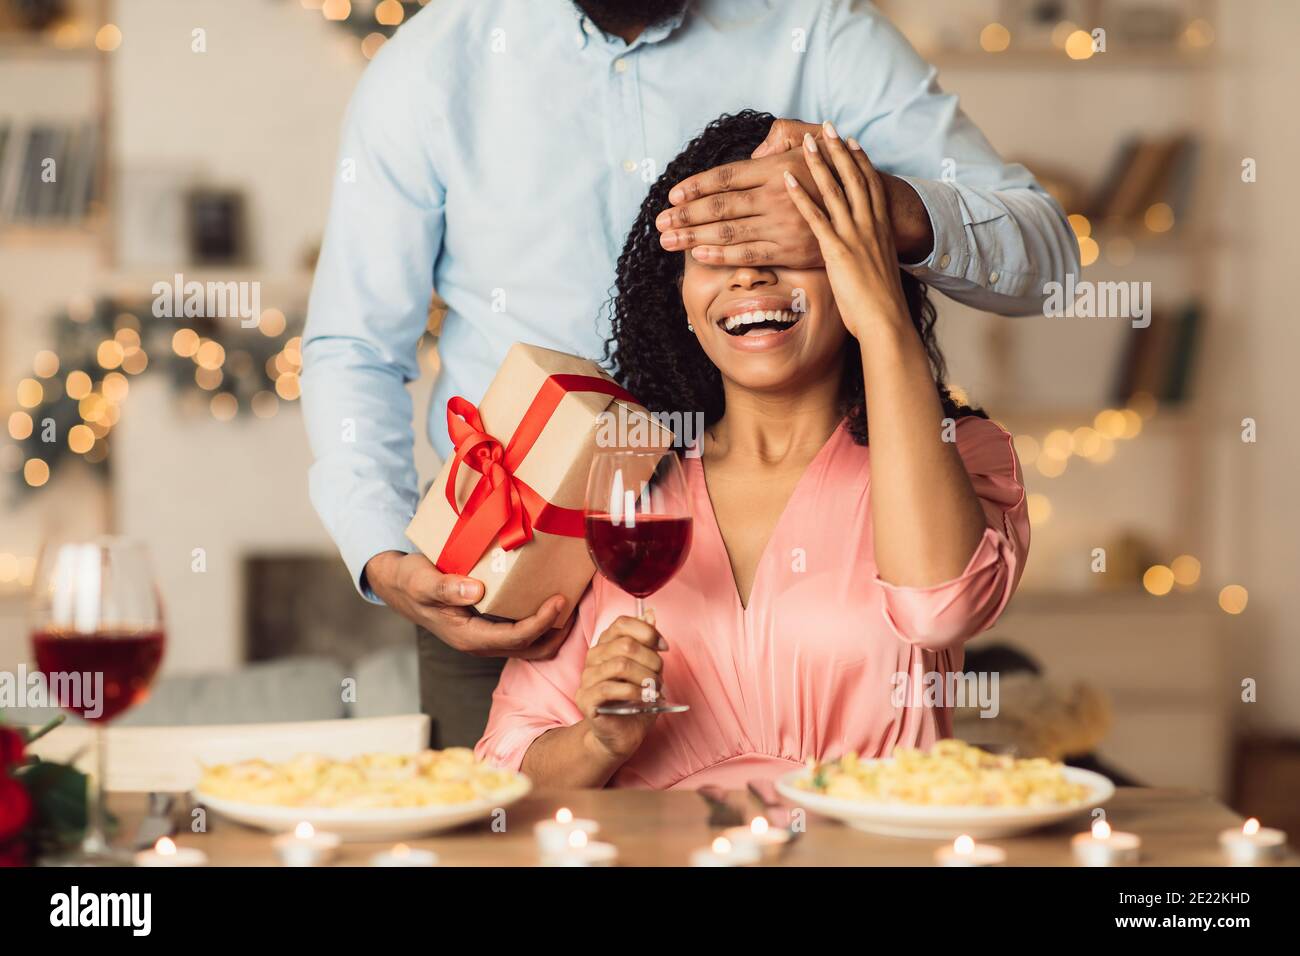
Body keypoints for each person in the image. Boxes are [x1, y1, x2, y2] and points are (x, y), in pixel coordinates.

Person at [302, 1, 1073, 748]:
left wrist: (865, 203)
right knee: (508, 830)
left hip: (796, 548)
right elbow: (354, 345)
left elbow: (1047, 262)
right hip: (512, 579)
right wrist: (383, 555)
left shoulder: (822, 32)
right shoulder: (432, 62)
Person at [475, 110, 1030, 788]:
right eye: (716, 255)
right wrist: (599, 742)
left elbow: (940, 608)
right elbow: (504, 762)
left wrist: (883, 317)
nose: (749, 277)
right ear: (677, 296)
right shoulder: (623, 475)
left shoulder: (964, 452)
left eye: (787, 248)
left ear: (854, 273)